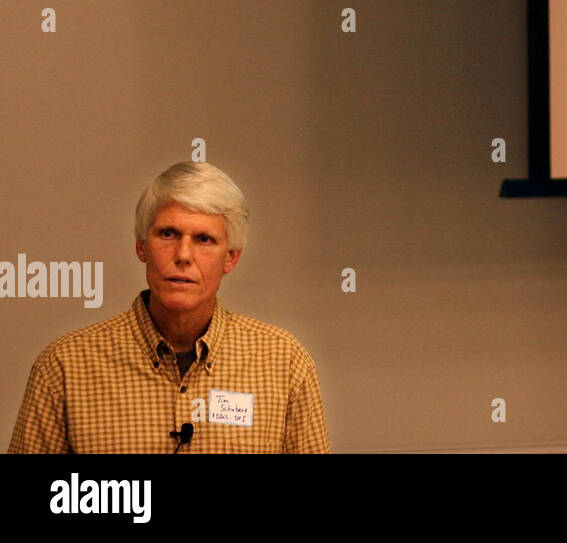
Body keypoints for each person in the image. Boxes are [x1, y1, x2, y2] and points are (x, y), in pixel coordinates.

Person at [9, 161, 330, 453]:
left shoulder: (283, 363)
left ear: (231, 257)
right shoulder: (66, 366)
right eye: (168, 233)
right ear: (141, 245)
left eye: (204, 239)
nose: (183, 255)